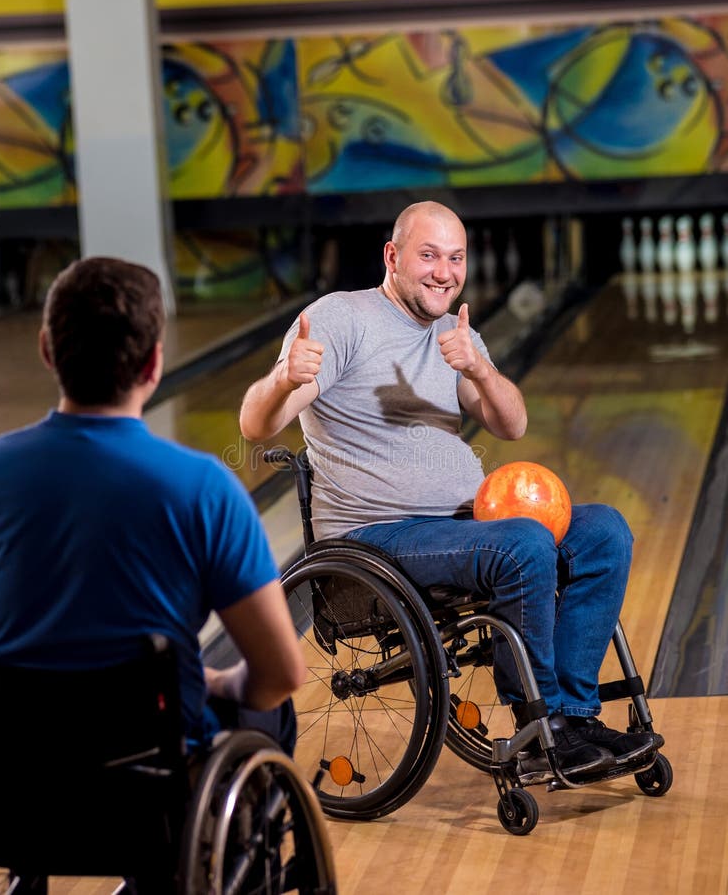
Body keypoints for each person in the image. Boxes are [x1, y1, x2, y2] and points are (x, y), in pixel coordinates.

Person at [240, 200, 662, 784]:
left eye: (456, 258)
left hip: (466, 523)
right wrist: (284, 377)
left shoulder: (452, 332)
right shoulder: (340, 319)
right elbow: (256, 425)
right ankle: (541, 724)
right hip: (380, 538)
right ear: (392, 256)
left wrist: (481, 371)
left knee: (604, 531)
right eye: (429, 255)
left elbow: (511, 425)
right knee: (523, 544)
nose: (445, 271)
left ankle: (571, 715)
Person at [0, 256, 305, 760]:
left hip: (19, 757)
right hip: (150, 765)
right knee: (274, 710)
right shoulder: (204, 489)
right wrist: (222, 683)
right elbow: (281, 673)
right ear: (155, 363)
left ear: (47, 350)